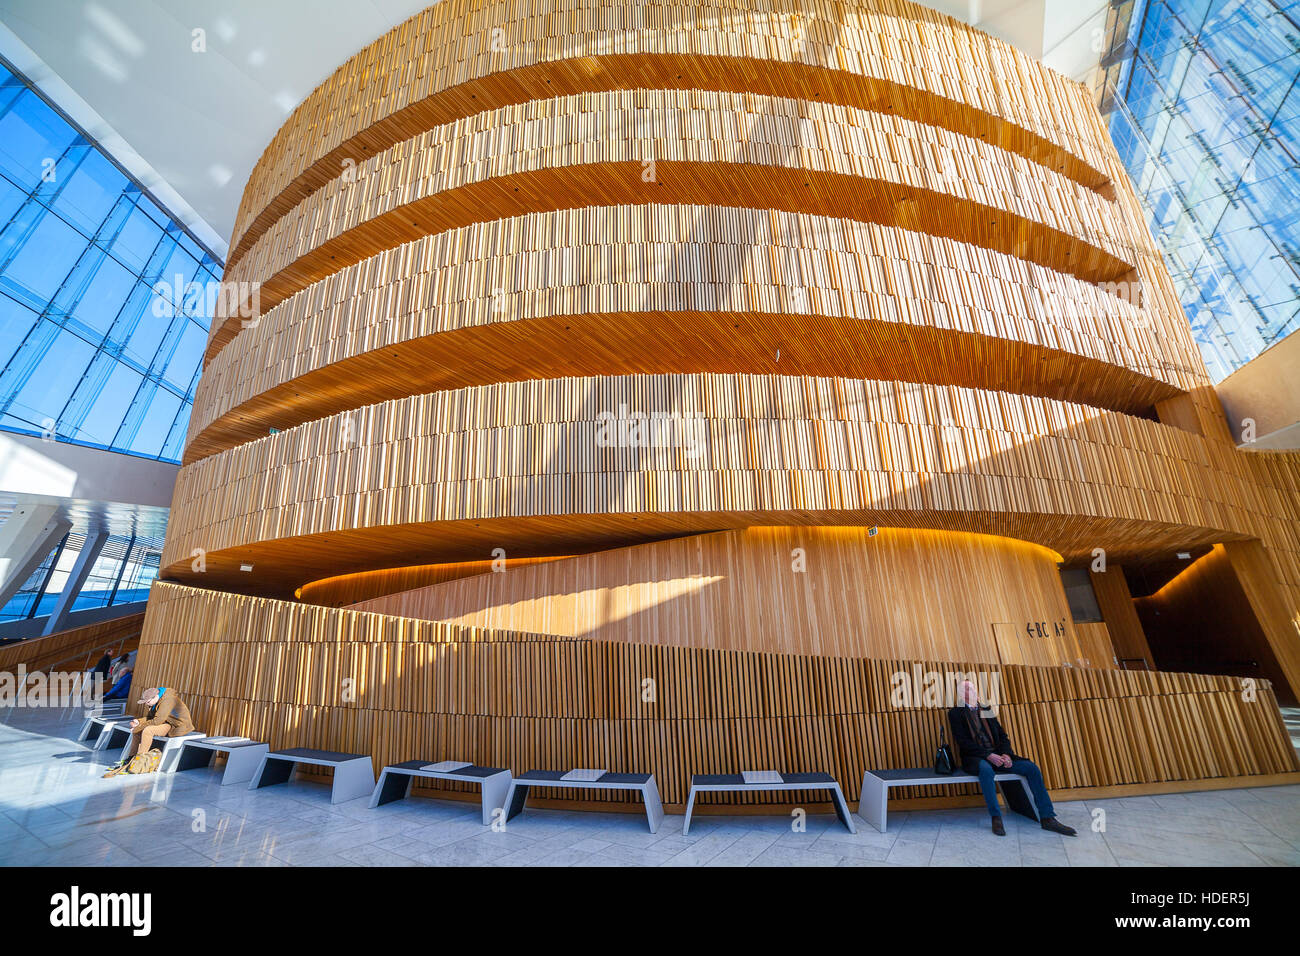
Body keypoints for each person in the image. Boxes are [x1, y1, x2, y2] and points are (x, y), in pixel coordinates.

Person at [947, 679, 1077, 837]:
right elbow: (963, 742)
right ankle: (996, 818)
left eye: (974, 689)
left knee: (1031, 768)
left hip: (998, 755)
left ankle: (1047, 818)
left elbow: (1002, 736)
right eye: (968, 689)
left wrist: (1006, 754)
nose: (973, 692)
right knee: (986, 771)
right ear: (961, 694)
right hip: (976, 758)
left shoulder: (986, 709)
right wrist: (988, 755)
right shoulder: (955, 713)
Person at [108, 686, 195, 771]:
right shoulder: (157, 700)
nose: (146, 704)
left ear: (155, 697)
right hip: (167, 722)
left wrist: (138, 727)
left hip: (177, 726)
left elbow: (157, 720)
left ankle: (139, 761)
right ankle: (131, 758)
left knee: (148, 730)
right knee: (137, 731)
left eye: (147, 702)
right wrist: (139, 722)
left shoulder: (168, 700)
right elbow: (151, 717)